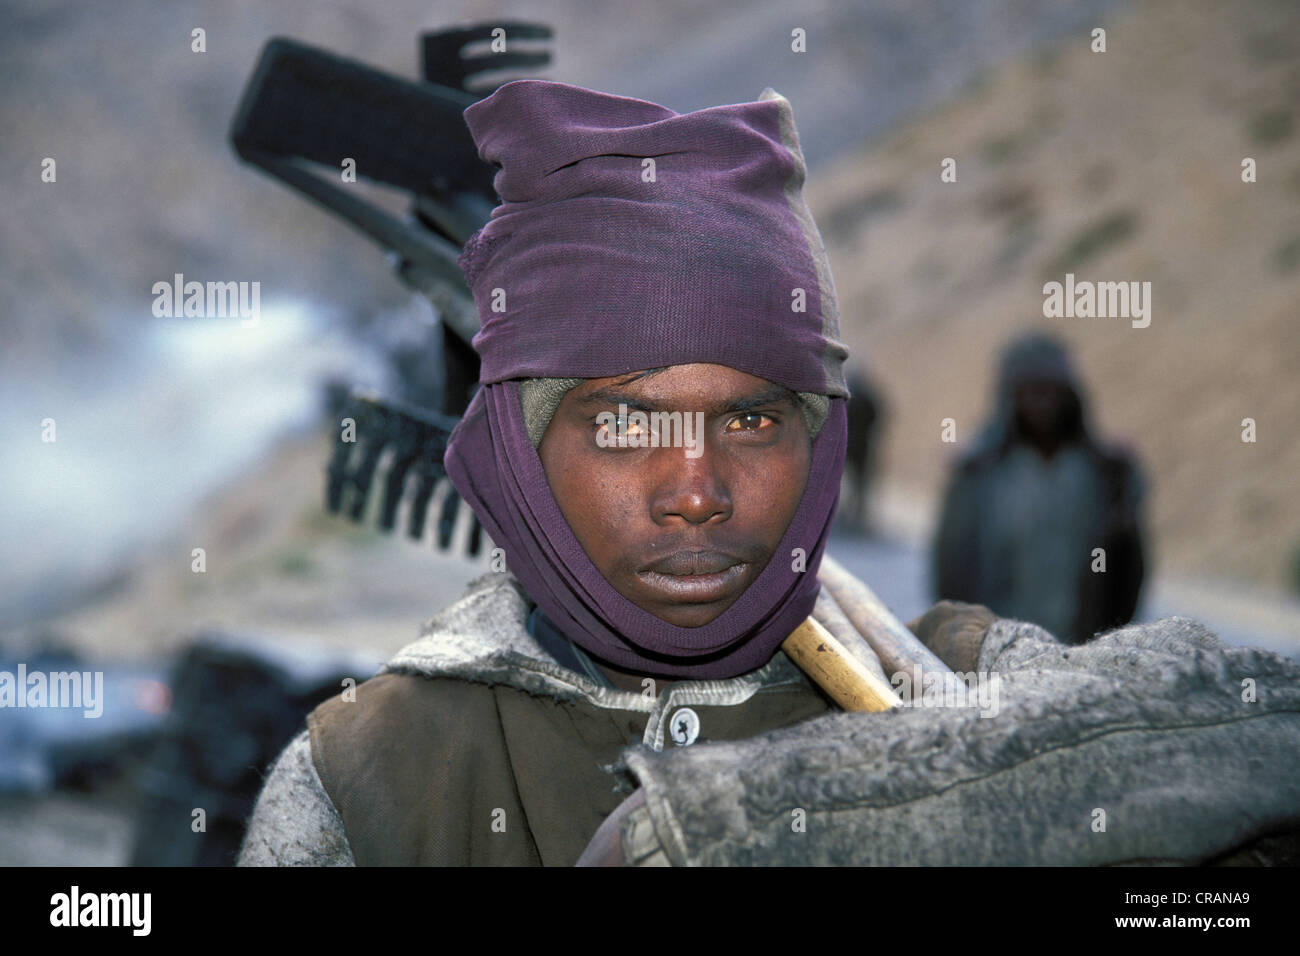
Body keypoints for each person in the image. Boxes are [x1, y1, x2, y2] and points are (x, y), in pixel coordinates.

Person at [238, 81, 1300, 867]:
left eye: (751, 418)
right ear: (514, 452)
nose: (695, 488)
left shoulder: (965, 676)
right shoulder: (365, 781)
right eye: (618, 422)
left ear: (822, 436)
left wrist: (747, 816)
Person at [932, 332, 1146, 644]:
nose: (1041, 403)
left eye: (1049, 391)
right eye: (1029, 391)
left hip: (1080, 644)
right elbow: (953, 567)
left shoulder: (1104, 473)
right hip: (998, 647)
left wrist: (1108, 637)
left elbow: (1127, 567)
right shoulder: (978, 475)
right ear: (1010, 396)